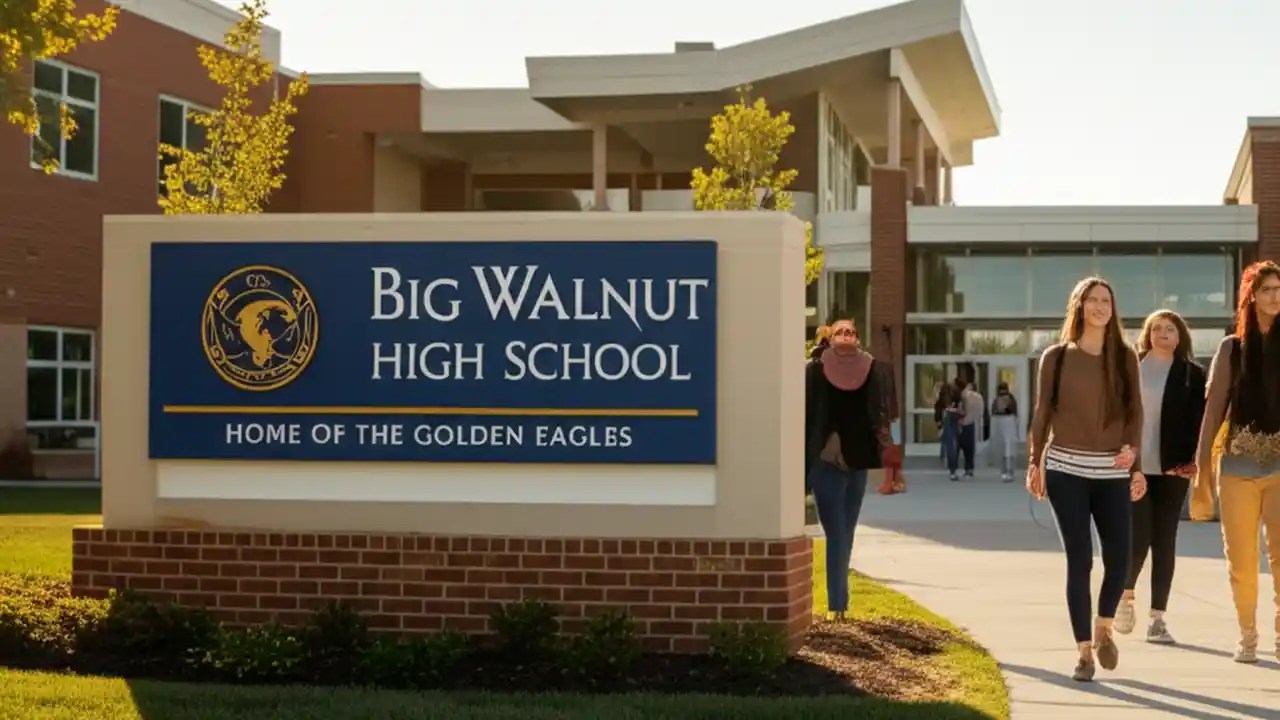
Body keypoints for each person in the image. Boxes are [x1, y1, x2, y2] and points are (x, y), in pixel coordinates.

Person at [1026, 277, 1146, 682]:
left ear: (1113, 309)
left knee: (1120, 558)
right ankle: (1082, 654)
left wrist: (1134, 455)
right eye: (1092, 300)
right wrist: (1034, 462)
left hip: (1112, 470)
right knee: (1080, 560)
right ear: (1078, 306)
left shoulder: (1125, 357)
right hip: (1065, 470)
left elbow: (1135, 412)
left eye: (1106, 301)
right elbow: (1042, 412)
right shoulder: (1056, 357)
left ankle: (1103, 627)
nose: (1100, 306)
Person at [1189, 260, 1280, 664]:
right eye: (1266, 290)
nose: (1275, 296)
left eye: (1279, 289)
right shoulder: (1233, 348)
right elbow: (1214, 410)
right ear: (1251, 297)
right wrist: (1202, 467)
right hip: (1238, 468)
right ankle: (1247, 634)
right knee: (1242, 562)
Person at [1114, 310, 1206, 644]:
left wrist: (1194, 461)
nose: (1163, 333)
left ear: (1180, 336)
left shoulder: (1191, 374)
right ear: (1148, 333)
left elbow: (1200, 422)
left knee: (1165, 540)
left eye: (1170, 329)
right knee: (1138, 537)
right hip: (1135, 467)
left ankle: (1158, 618)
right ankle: (1125, 597)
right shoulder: (1131, 366)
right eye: (1156, 328)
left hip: (1173, 469)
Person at [805, 318, 897, 621]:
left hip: (825, 458)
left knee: (836, 532)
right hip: (857, 459)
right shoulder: (872, 368)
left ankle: (838, 606)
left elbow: (805, 417)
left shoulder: (814, 369)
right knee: (845, 530)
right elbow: (881, 419)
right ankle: (840, 604)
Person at [990, 382, 1020, 482]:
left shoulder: (997, 399)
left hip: (1000, 422)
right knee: (1009, 447)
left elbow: (993, 411)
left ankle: (1004, 471)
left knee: (1002, 447)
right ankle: (1009, 471)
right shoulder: (1011, 398)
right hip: (1009, 422)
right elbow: (1015, 413)